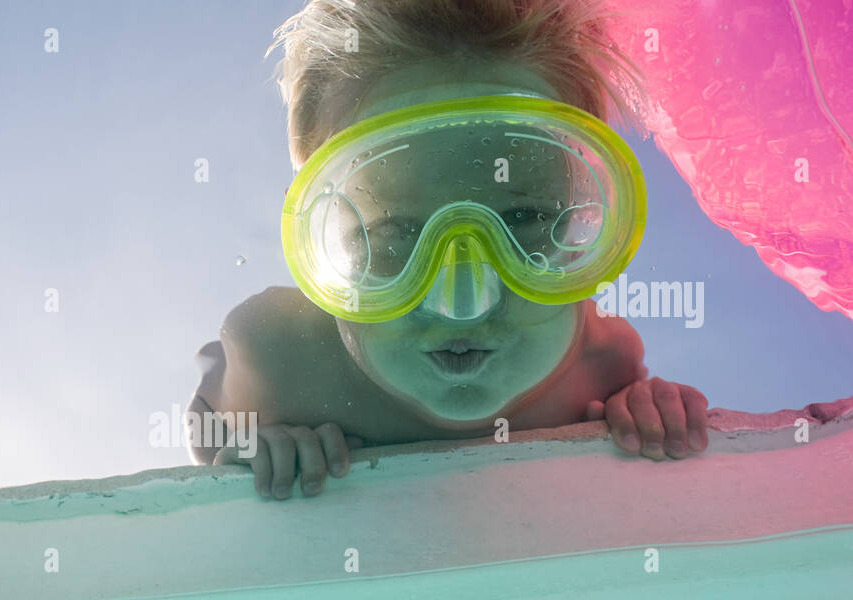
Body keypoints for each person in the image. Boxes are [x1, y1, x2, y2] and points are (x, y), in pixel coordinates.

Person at [188, 0, 709, 499]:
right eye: (394, 231)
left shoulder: (604, 363)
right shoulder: (277, 350)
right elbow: (205, 421)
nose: (463, 303)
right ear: (321, 231)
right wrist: (245, 449)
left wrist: (648, 406)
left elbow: (642, 410)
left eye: (525, 219)